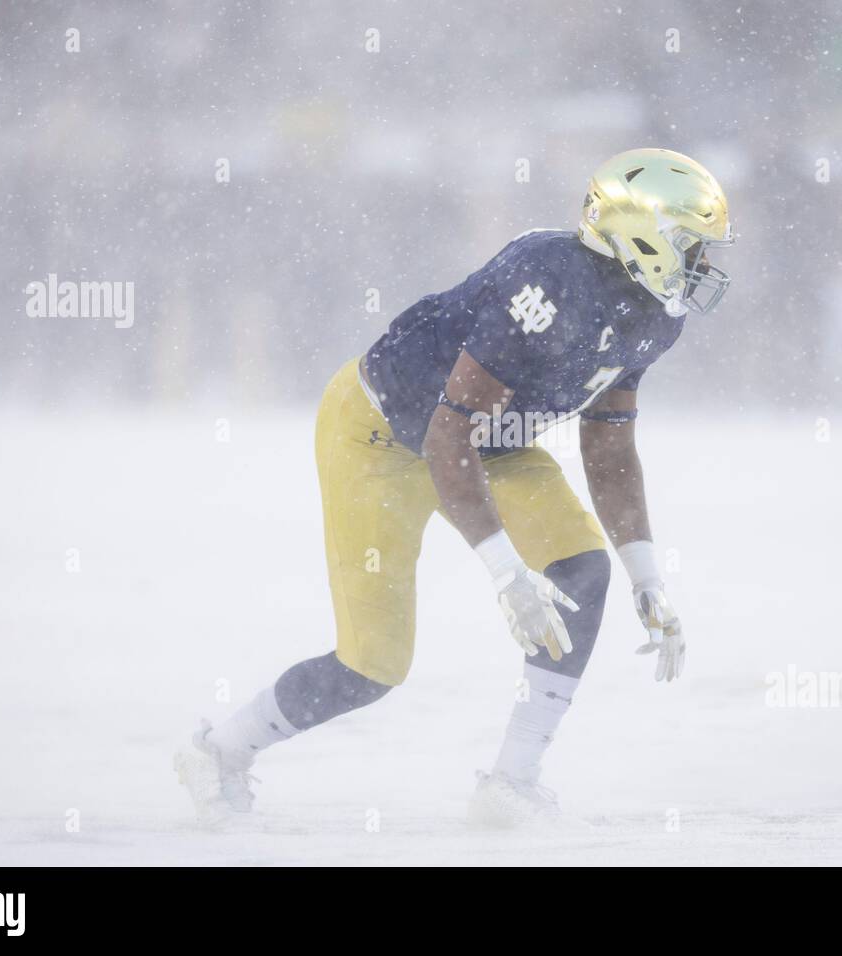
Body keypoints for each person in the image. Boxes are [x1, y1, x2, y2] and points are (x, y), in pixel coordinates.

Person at [176, 148, 734, 826]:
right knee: (371, 666)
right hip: (380, 436)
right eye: (691, 244)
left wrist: (647, 574)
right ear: (640, 233)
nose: (703, 263)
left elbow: (608, 440)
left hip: (492, 440)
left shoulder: (656, 315)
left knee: (583, 571)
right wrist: (504, 573)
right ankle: (220, 751)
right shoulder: (547, 281)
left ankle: (512, 779)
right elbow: (447, 436)